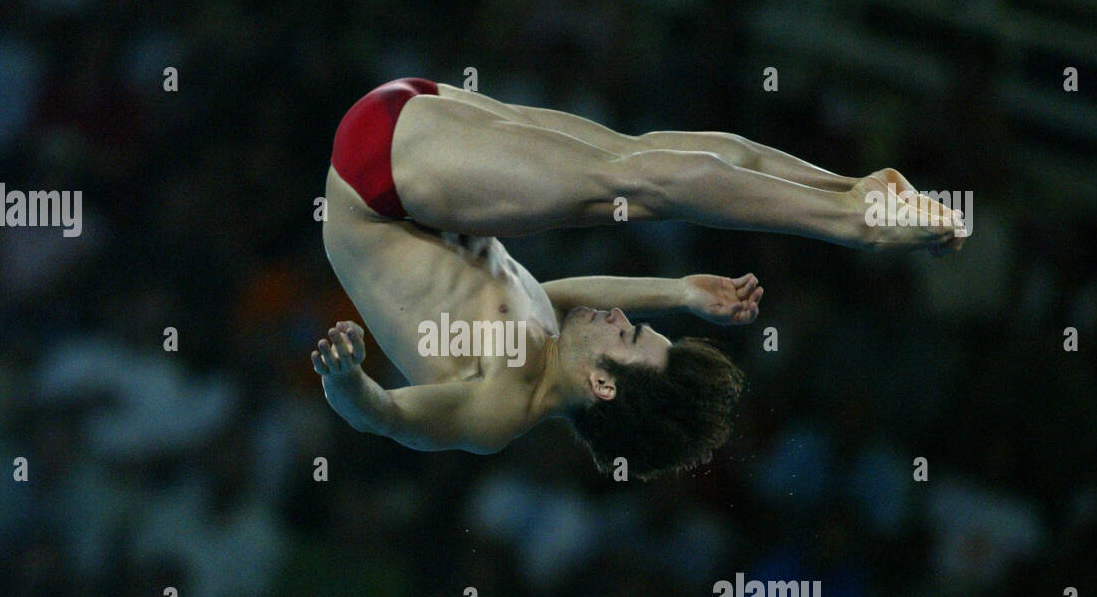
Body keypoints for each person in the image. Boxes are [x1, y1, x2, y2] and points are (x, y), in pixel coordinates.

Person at [313, 78, 963, 478]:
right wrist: (677, 290)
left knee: (638, 182)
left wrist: (348, 381)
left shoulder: (498, 410)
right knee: (652, 155)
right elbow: (556, 296)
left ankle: (855, 222)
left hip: (380, 180)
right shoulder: (535, 344)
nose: (624, 320)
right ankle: (853, 187)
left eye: (628, 337)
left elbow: (390, 417)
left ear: (600, 384)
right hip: (413, 142)